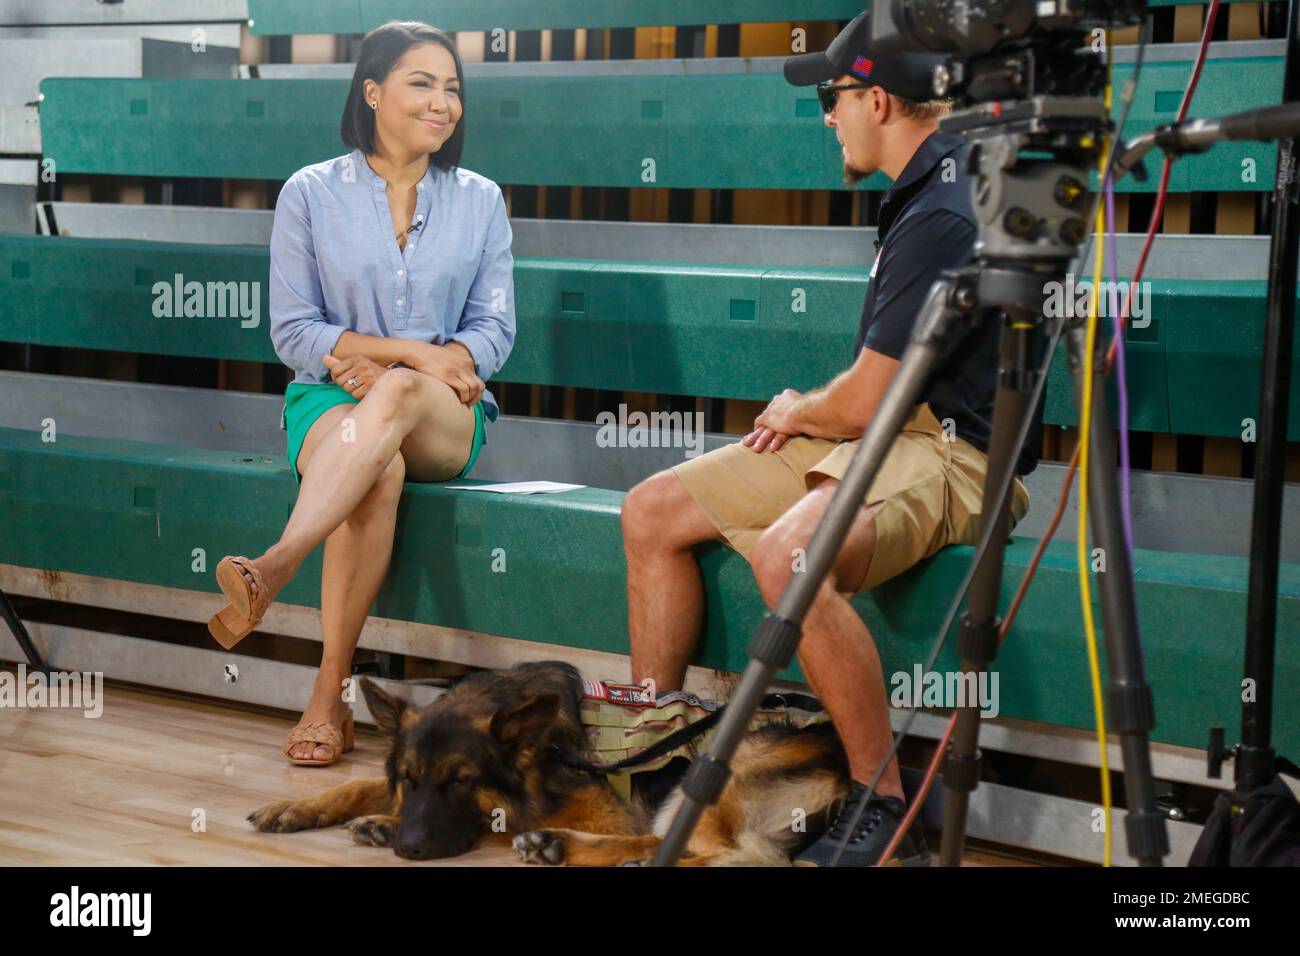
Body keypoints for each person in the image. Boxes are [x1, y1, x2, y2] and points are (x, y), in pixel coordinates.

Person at [620, 11, 1045, 865]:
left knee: (791, 556)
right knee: (651, 510)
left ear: (878, 99)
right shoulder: (925, 189)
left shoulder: (946, 211)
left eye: (832, 96)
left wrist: (798, 409)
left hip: (955, 456)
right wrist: (816, 414)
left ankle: (882, 805)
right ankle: (658, 749)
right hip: (885, 435)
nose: (826, 116)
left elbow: (864, 402)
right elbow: (866, 403)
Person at [207, 21, 515, 767]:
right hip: (329, 404)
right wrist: (401, 354)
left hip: (445, 412)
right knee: (378, 472)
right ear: (371, 91)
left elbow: (494, 329)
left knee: (405, 393)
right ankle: (328, 699)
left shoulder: (481, 199)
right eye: (422, 83)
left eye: (453, 89)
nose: (443, 102)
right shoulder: (310, 193)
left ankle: (275, 565)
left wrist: (410, 370)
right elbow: (293, 332)